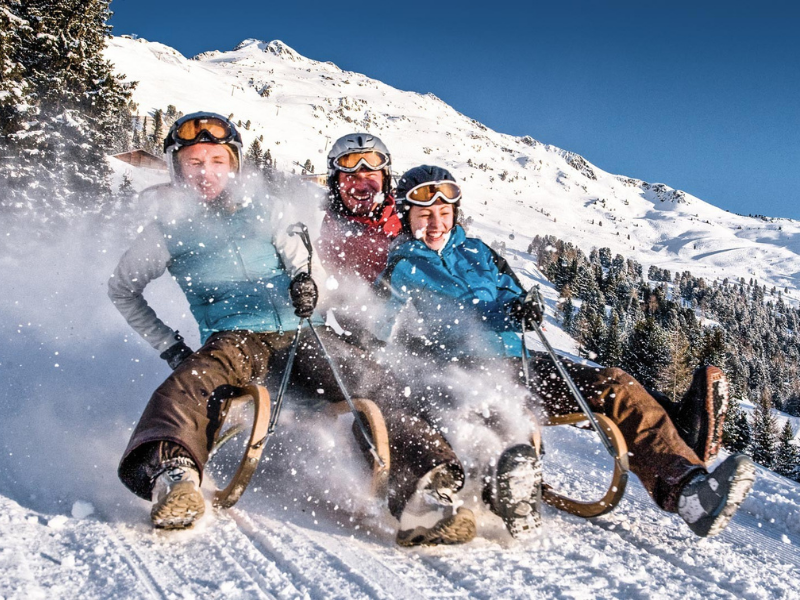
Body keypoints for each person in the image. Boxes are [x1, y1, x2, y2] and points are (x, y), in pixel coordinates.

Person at [108, 115, 473, 547]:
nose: (207, 172)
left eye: (217, 161)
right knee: (192, 384)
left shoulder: (266, 210)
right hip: (236, 337)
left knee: (373, 383)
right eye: (194, 163)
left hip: (305, 330)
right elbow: (122, 289)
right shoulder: (167, 229)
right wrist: (171, 348)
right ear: (176, 167)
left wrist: (306, 285)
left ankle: (424, 495)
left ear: (235, 165)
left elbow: (305, 263)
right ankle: (174, 477)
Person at [373, 165, 756, 539]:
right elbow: (375, 325)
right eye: (424, 216)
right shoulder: (401, 267)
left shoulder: (478, 252)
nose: (436, 224)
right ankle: (501, 488)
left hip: (519, 361)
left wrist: (525, 306)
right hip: (460, 374)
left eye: (444, 213)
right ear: (407, 217)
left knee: (615, 386)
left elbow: (512, 292)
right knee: (500, 415)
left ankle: (688, 490)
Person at [318, 133, 402, 284]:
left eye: (371, 177)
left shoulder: (410, 224)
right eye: (351, 177)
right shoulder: (322, 230)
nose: (362, 187)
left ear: (385, 181)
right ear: (335, 184)